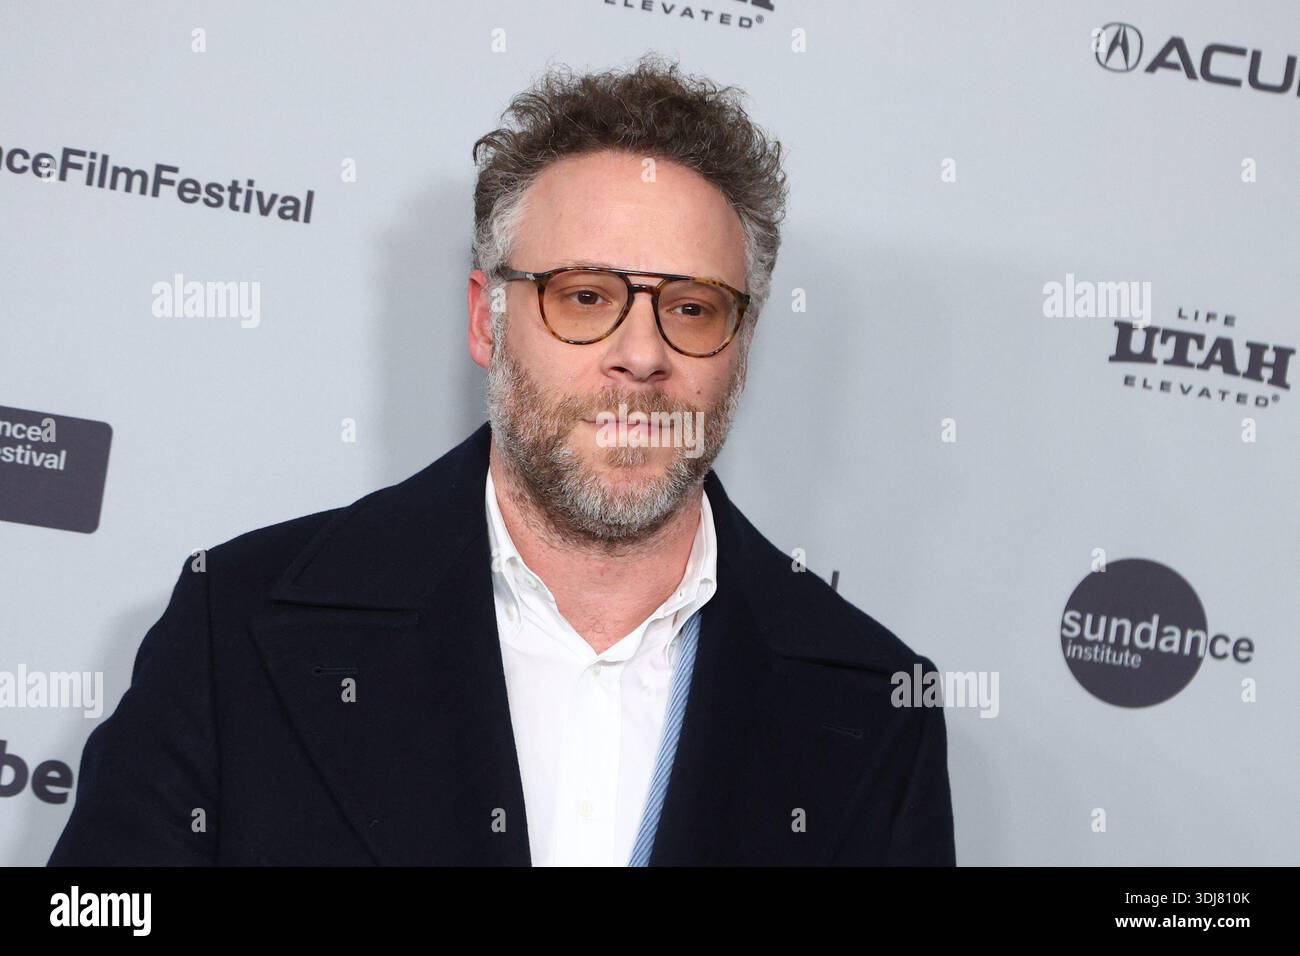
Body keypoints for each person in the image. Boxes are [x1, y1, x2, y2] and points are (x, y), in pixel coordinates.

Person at [48, 54, 955, 866]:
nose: (640, 354)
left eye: (689, 308)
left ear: (742, 347)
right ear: (487, 319)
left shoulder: (877, 707)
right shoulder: (235, 628)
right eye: (586, 295)